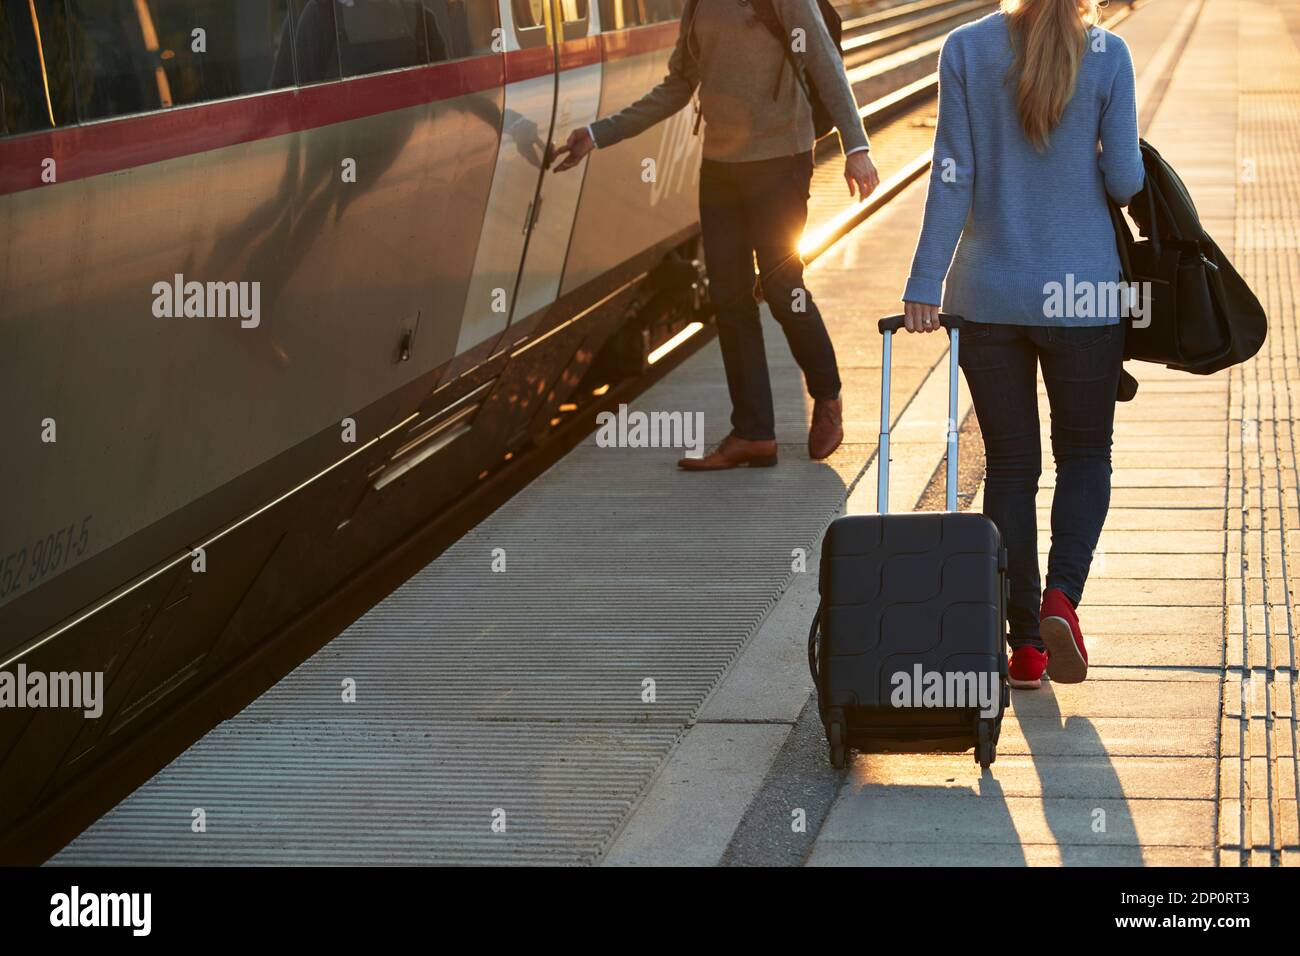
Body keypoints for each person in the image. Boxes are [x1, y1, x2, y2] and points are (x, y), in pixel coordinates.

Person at [900, 0, 1144, 687]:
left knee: (1009, 466)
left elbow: (953, 174)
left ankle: (1026, 647)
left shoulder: (966, 49)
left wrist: (925, 281)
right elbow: (1126, 180)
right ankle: (1062, 597)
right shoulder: (1108, 56)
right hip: (1085, 296)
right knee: (1086, 453)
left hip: (989, 296)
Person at [554, 0, 879, 470]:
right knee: (728, 296)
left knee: (783, 287)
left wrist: (857, 146)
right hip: (721, 168)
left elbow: (824, 61)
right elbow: (678, 87)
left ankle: (827, 397)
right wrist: (598, 133)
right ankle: (753, 432)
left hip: (781, 160)